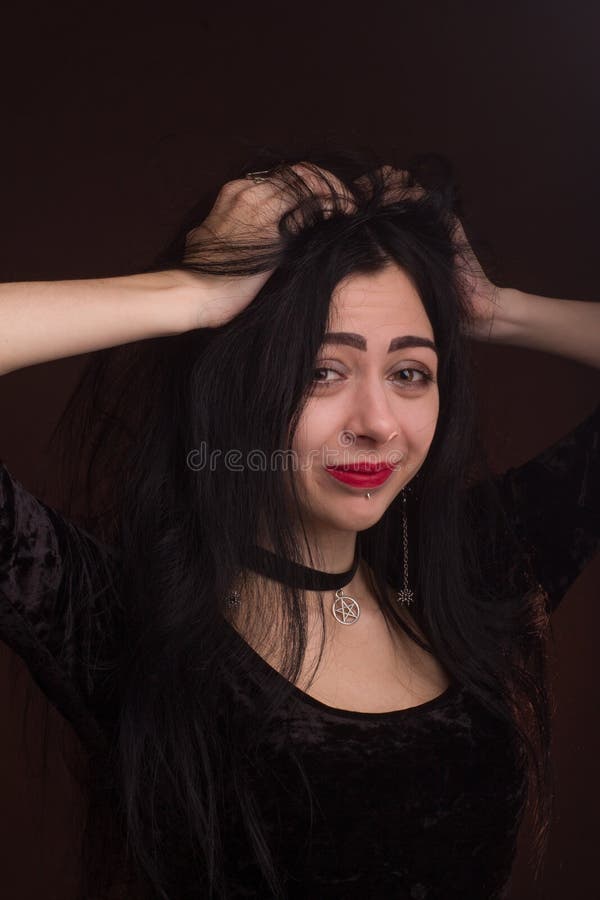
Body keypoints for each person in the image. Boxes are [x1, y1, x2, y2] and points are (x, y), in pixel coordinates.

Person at [0, 148, 598, 900]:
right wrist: (190, 295)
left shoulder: (466, 572)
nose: (378, 423)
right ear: (239, 385)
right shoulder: (127, 621)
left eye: (410, 372)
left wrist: (496, 307)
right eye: (323, 370)